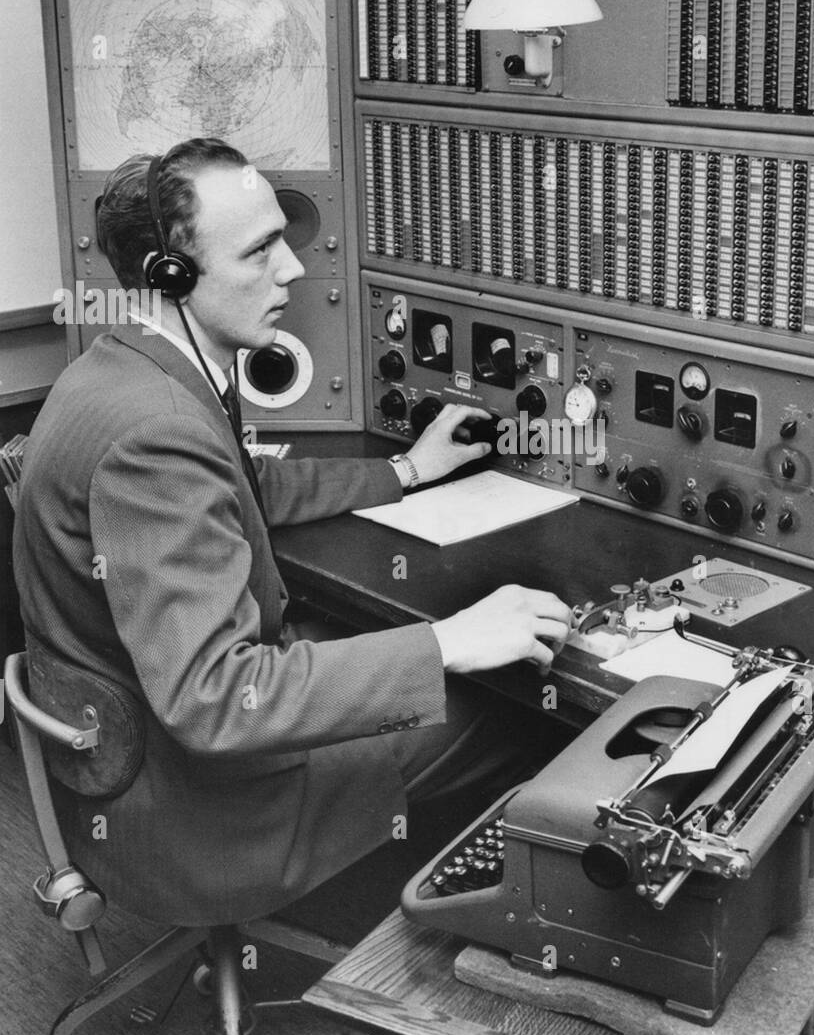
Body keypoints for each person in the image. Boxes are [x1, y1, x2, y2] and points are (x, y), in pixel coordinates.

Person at [13, 137, 573, 927]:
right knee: (520, 706)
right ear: (169, 277)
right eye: (259, 251)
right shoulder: (154, 436)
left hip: (123, 764)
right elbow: (215, 698)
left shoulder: (121, 371)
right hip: (195, 820)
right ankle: (452, 962)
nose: (294, 269)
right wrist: (449, 643)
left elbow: (245, 485)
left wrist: (408, 470)